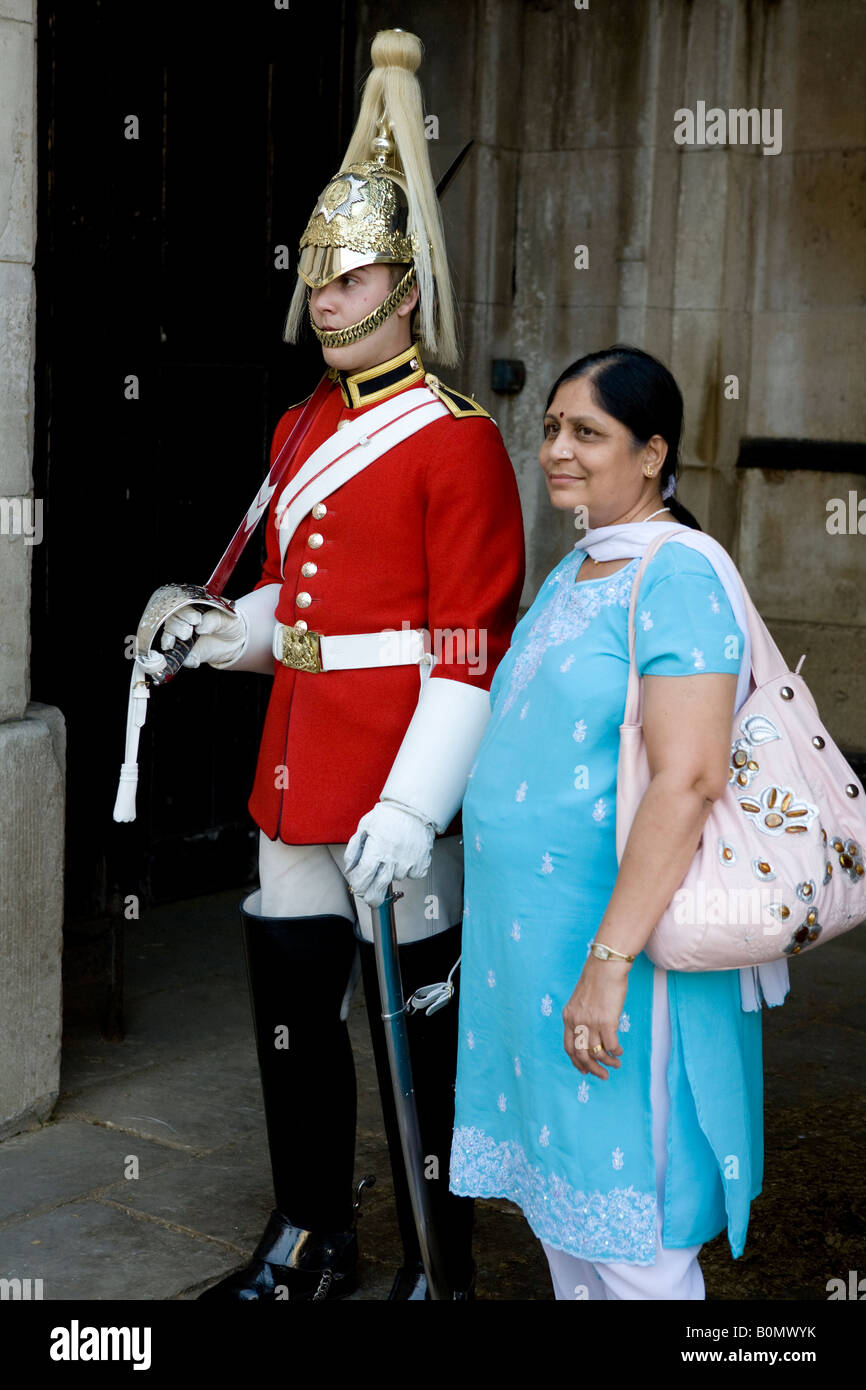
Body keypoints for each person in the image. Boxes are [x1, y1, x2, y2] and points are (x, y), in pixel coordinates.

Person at [137, 29, 525, 1300]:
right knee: (296, 1028)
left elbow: (466, 646)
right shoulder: (300, 421)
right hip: (295, 773)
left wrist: (417, 807)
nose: (326, 299)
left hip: (399, 782)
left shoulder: (454, 441)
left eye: (351, 278)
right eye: (316, 277)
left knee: (425, 1044)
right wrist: (215, 630)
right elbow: (299, 617)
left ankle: (437, 1268)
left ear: (407, 289)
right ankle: (310, 1235)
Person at [449, 345, 788, 1300]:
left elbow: (688, 777)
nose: (557, 448)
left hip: (622, 954)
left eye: (586, 432)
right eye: (551, 427)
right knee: (571, 1223)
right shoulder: (582, 568)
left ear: (651, 455)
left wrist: (607, 968)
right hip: (538, 951)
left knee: (637, 1242)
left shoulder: (676, 575)